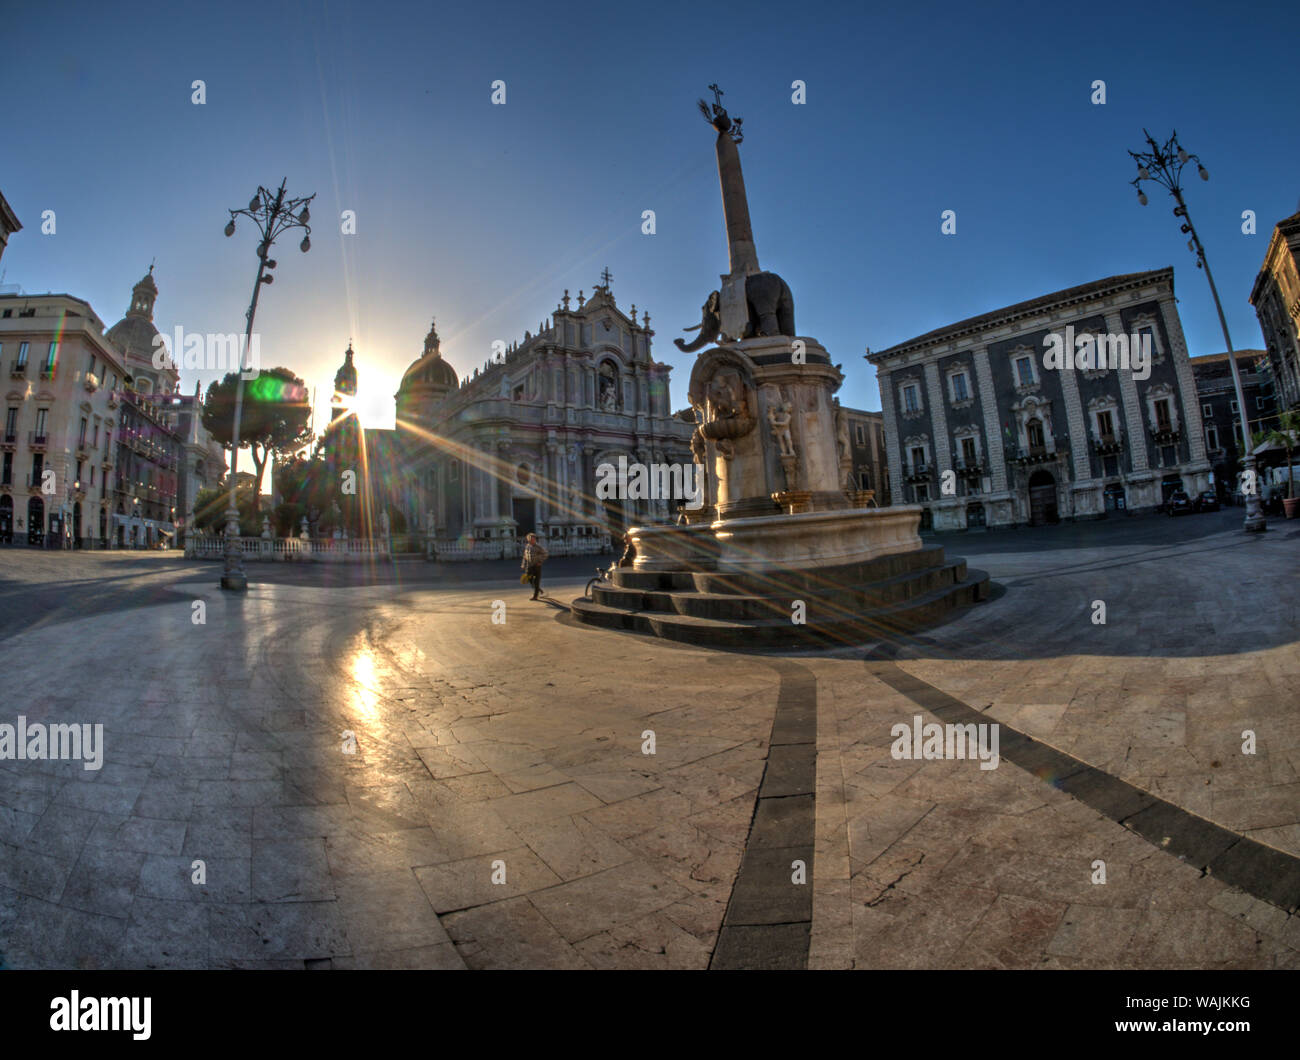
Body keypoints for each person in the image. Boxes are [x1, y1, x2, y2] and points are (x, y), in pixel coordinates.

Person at [521, 532, 548, 600]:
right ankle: (538, 589)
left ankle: (535, 596)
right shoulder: (527, 546)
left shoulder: (538, 547)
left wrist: (540, 561)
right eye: (531, 539)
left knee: (536, 581)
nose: (532, 540)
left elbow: (545, 554)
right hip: (529, 566)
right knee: (529, 579)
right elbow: (525, 556)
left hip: (537, 566)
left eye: (533, 539)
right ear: (528, 540)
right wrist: (523, 564)